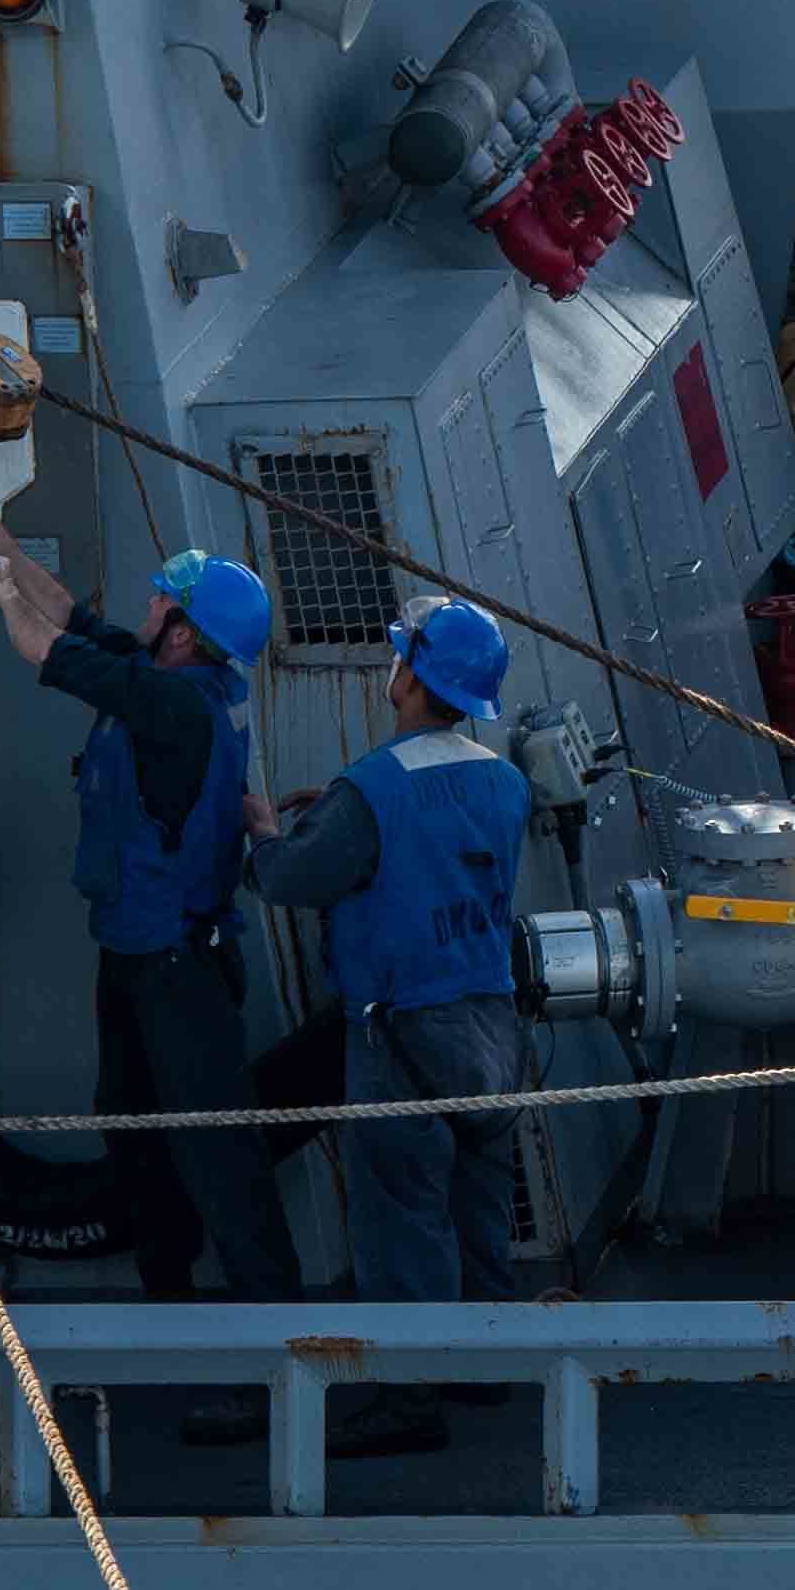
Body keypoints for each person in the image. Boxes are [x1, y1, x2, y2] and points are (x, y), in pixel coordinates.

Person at [254, 595, 537, 1436]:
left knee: (401, 1218)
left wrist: (269, 831)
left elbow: (289, 881)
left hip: (400, 1032)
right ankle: (484, 1374)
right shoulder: (507, 780)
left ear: (409, 676)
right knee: (480, 1209)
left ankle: (408, 1399)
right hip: (491, 1026)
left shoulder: (370, 788)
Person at [0, 546, 302, 1317]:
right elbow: (67, 614)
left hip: (178, 968)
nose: (147, 604)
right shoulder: (166, 679)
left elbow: (44, 645)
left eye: (159, 598)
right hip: (135, 955)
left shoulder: (173, 706)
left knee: (218, 1155)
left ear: (180, 629)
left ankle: (274, 1343)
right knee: (135, 1133)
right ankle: (173, 1315)